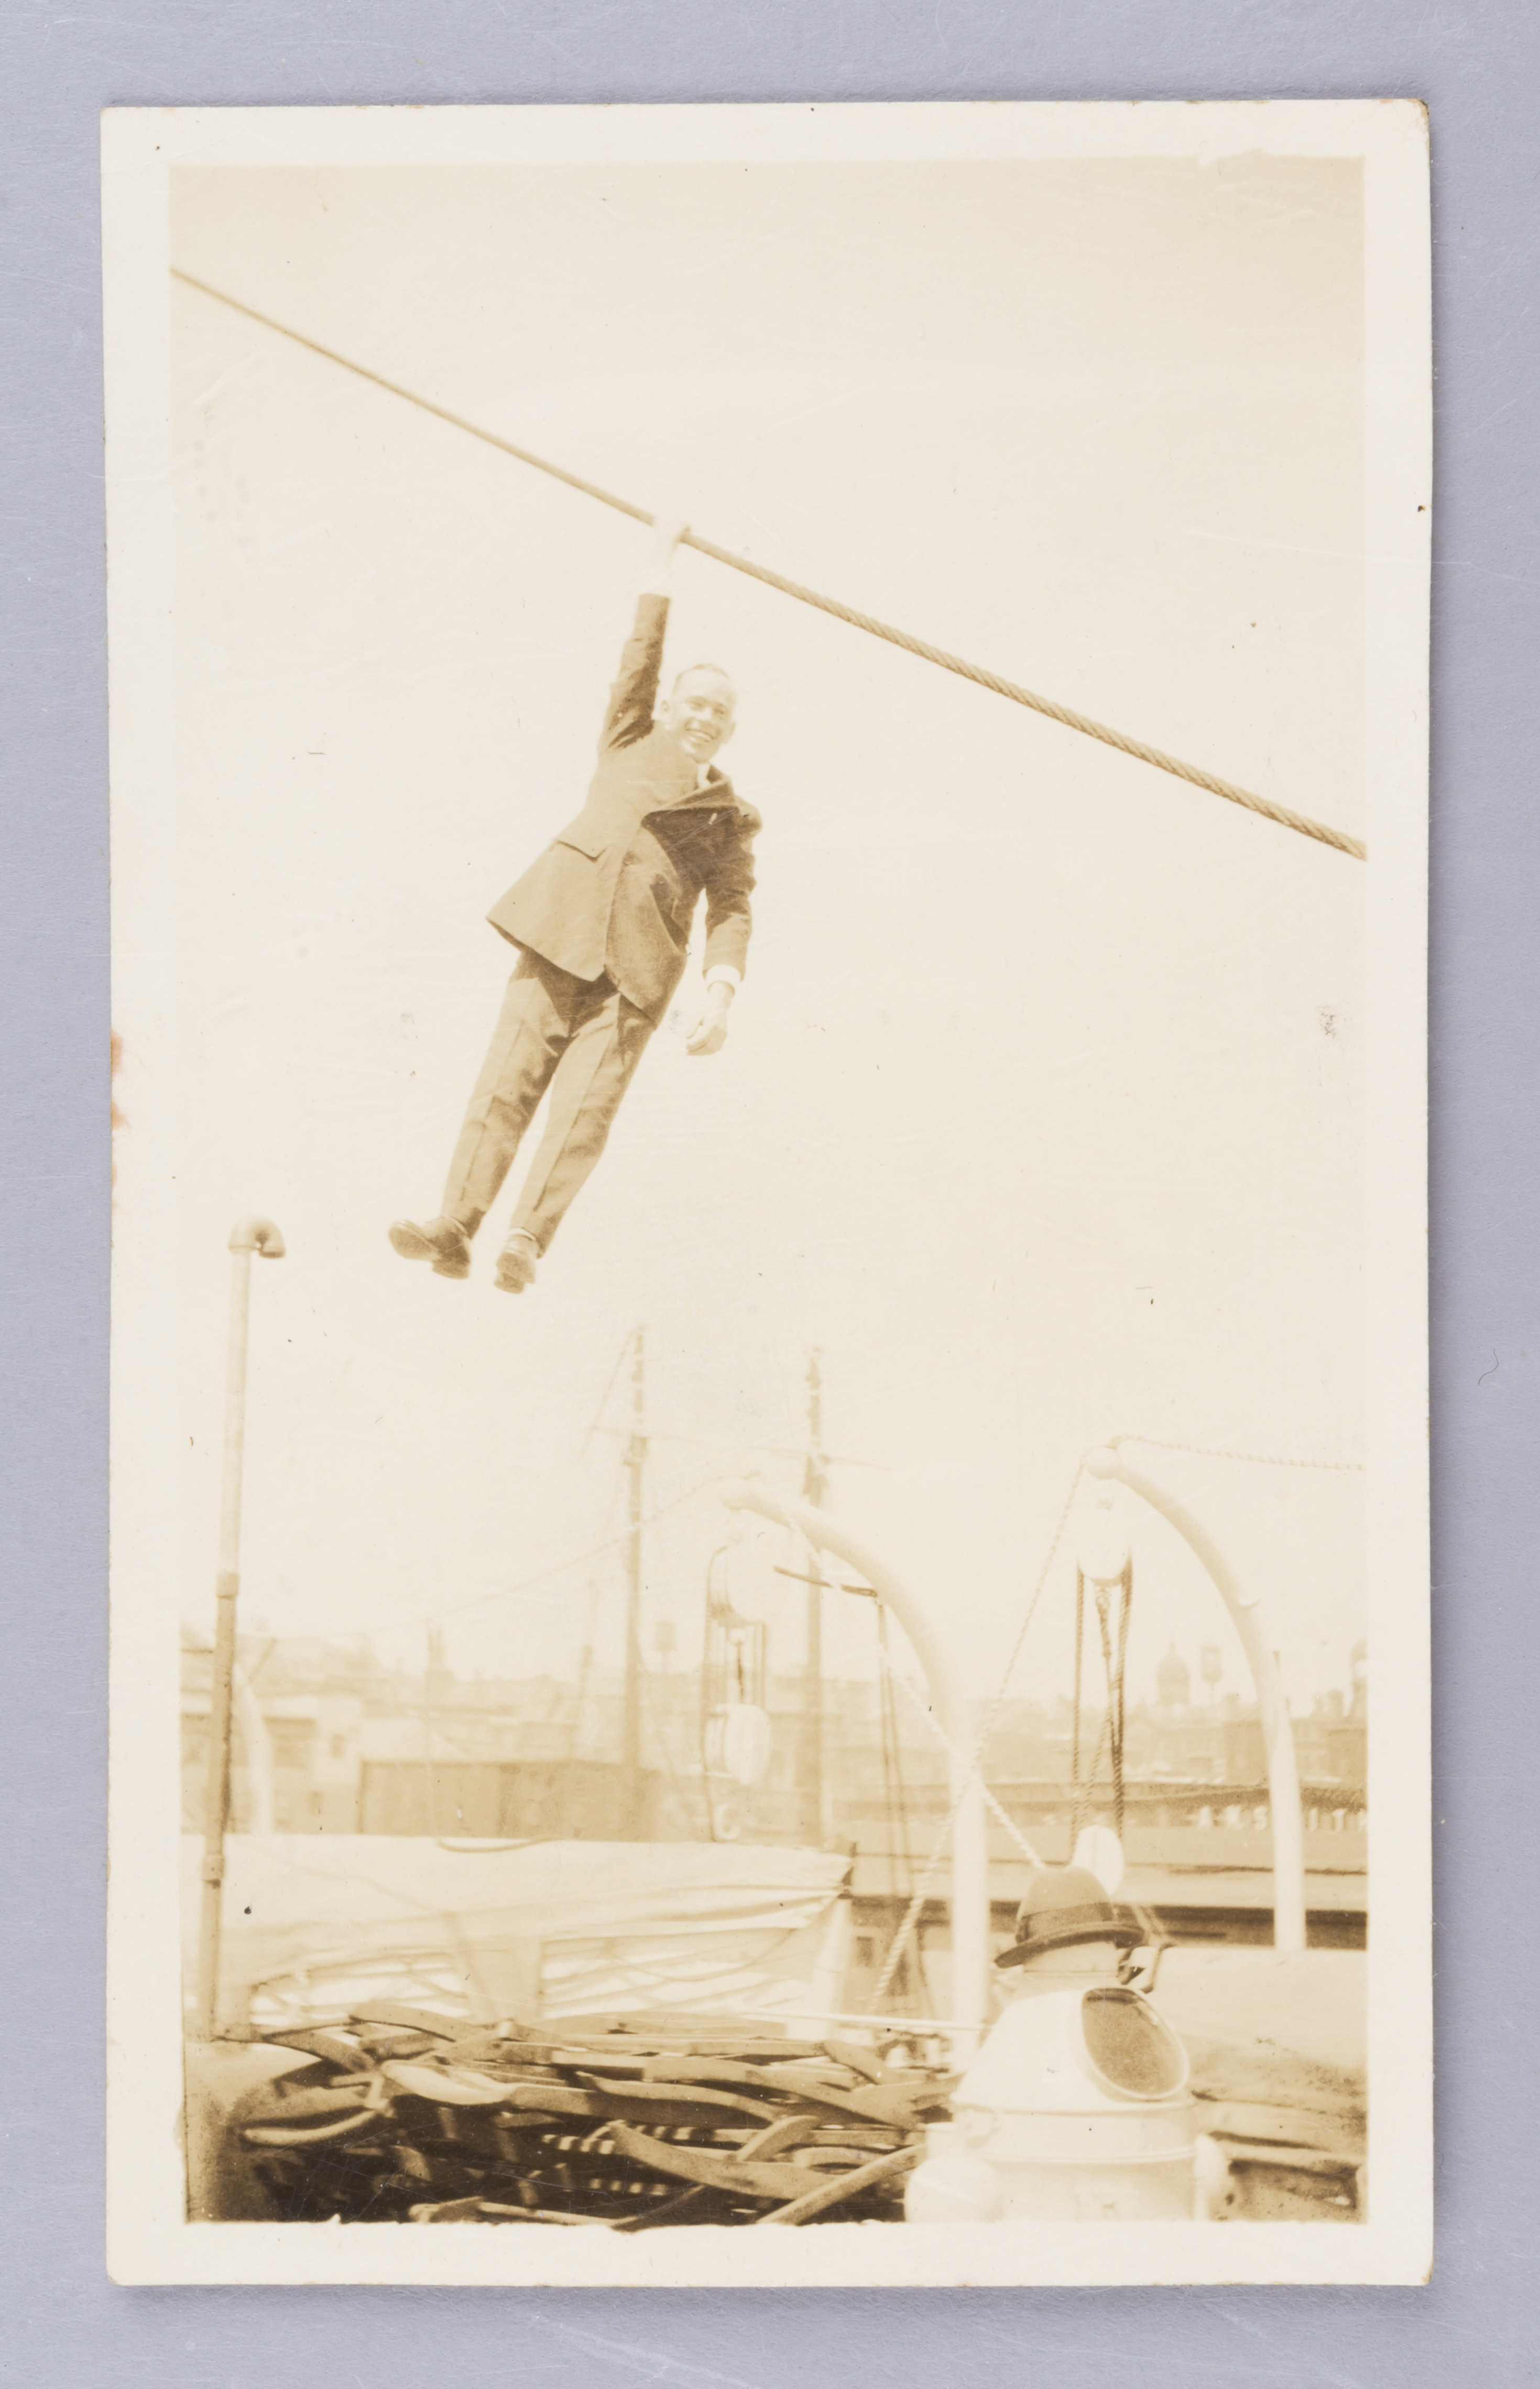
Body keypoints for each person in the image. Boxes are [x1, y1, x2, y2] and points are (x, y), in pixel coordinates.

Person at [390, 517, 760, 1294]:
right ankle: (455, 1226)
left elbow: (732, 908)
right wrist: (659, 563)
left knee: (584, 1111)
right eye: (694, 704)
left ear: (731, 730)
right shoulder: (629, 740)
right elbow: (639, 659)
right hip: (561, 928)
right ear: (669, 708)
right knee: (507, 1081)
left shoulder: (731, 817)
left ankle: (526, 1239)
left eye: (719, 713)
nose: (703, 719)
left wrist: (720, 994)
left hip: (637, 970)